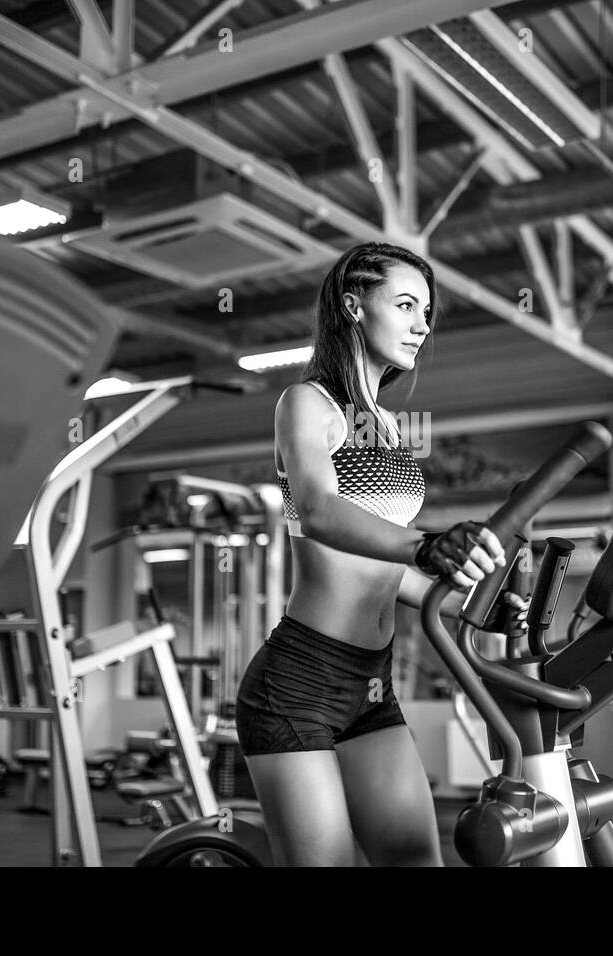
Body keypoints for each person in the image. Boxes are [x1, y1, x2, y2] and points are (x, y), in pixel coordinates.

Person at [235, 242, 530, 866]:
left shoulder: (387, 428)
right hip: (298, 685)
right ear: (352, 307)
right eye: (404, 304)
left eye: (427, 311)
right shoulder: (307, 404)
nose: (423, 324)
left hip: (370, 684)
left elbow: (388, 573)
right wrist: (427, 545)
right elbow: (317, 510)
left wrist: (476, 608)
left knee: (415, 859)